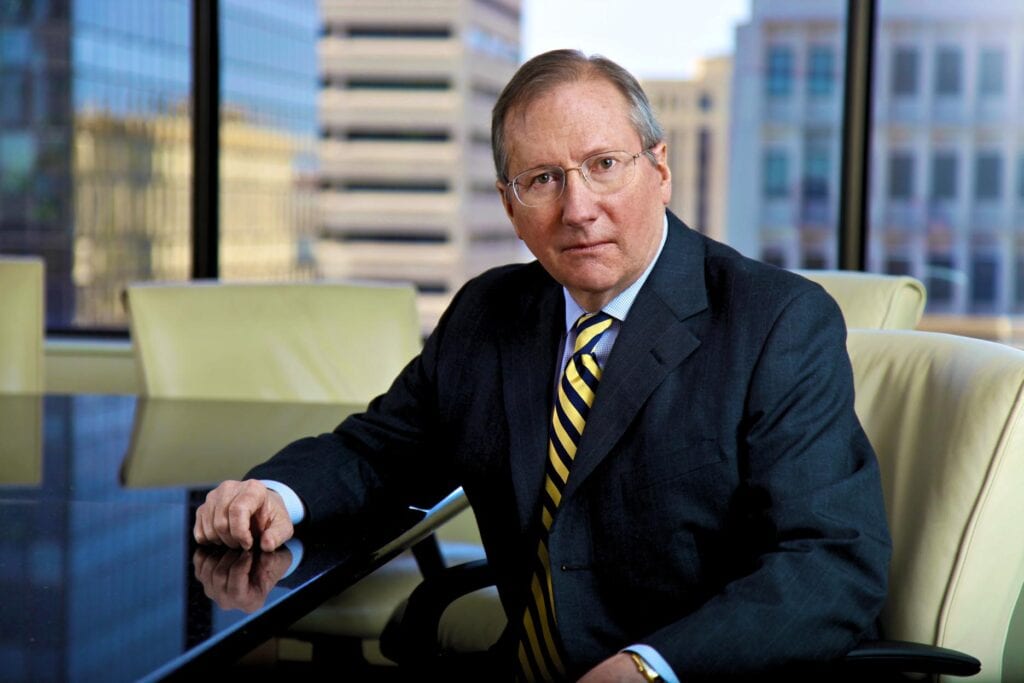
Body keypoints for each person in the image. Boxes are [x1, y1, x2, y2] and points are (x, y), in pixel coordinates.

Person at [194, 49, 891, 681]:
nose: (579, 208)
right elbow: (381, 451)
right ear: (509, 204)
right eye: (543, 179)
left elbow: (830, 562)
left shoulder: (775, 321)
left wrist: (652, 667)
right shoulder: (486, 313)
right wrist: (275, 493)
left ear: (661, 169)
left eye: (604, 165)